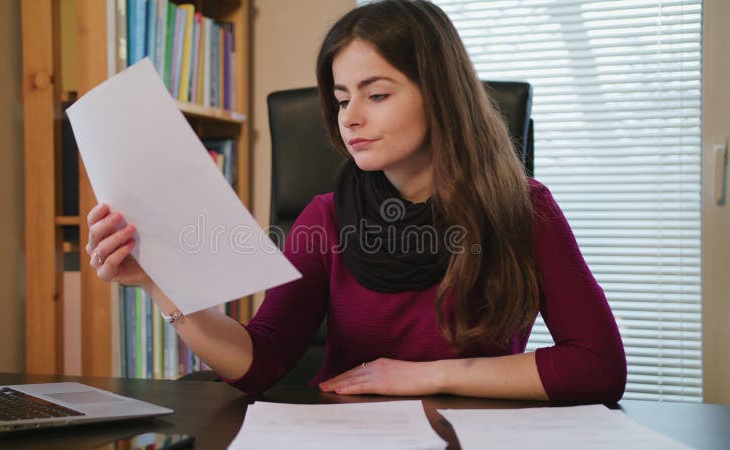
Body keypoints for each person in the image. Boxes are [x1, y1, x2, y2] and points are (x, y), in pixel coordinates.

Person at [85, 0, 626, 402]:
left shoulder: (523, 209)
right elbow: (260, 361)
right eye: (342, 98)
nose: (350, 117)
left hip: (478, 433)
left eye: (377, 94)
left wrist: (425, 374)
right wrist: (159, 280)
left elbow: (599, 366)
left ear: (440, 93)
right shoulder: (326, 217)